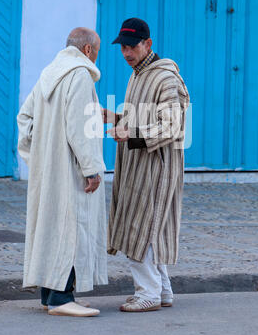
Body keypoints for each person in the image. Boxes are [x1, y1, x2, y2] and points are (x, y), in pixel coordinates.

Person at [17, 28, 107, 317]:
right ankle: (61, 298)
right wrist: (91, 168)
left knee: (52, 228)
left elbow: (25, 117)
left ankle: (49, 294)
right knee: (71, 229)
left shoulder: (48, 74)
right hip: (70, 168)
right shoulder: (79, 75)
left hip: (50, 169)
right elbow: (81, 129)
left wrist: (40, 156)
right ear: (88, 50)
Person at [103, 18, 190, 312]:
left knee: (143, 226)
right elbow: (138, 119)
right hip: (137, 165)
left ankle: (148, 293)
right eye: (123, 48)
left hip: (157, 168)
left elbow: (174, 126)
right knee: (146, 226)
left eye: (132, 47)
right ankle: (162, 290)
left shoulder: (165, 78)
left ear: (148, 44)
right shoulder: (137, 75)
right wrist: (115, 119)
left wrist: (133, 134)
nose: (127, 53)